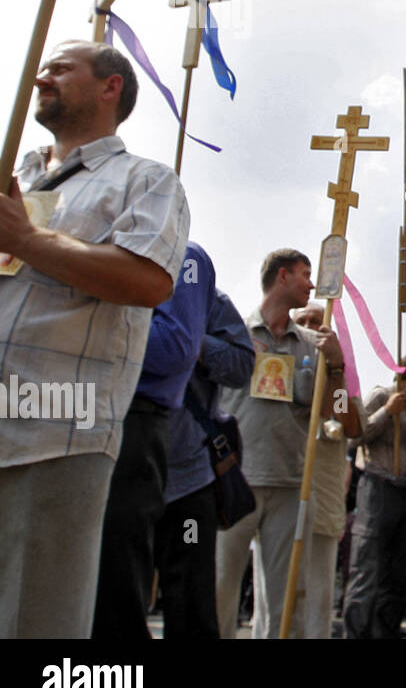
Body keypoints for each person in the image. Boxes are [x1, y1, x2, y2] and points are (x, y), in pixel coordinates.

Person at [0, 41, 189, 639]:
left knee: (37, 620)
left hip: (58, 428)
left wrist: (27, 241)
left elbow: (146, 279)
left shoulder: (145, 181)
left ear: (110, 89)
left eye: (60, 69)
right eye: (41, 68)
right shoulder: (9, 176)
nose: (42, 78)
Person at [215, 250, 348, 638]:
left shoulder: (312, 346)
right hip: (235, 480)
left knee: (286, 599)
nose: (312, 284)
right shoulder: (233, 333)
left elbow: (332, 413)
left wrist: (336, 367)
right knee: (219, 588)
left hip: (292, 484)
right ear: (283, 276)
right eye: (306, 275)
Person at [92, 241, 218, 639]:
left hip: (183, 474)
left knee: (187, 583)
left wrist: (202, 346)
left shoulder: (190, 265)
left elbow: (186, 349)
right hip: (109, 436)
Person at [153, 285, 254, 639]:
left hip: (188, 486)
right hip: (122, 476)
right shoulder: (108, 274)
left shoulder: (204, 296)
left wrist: (190, 342)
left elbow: (242, 366)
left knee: (191, 600)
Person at [344, 352, 406, 639]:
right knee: (366, 569)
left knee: (398, 574)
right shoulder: (381, 397)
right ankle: (357, 633)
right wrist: (387, 412)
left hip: (404, 494)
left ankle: (385, 631)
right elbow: (355, 436)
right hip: (378, 491)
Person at [291, 302, 362, 639]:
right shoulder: (280, 364)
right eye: (301, 322)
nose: (308, 327)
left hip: (323, 497)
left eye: (315, 321)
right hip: (283, 492)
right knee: (280, 596)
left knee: (318, 594)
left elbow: (349, 426)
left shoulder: (341, 373)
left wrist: (335, 366)